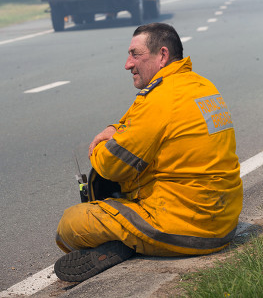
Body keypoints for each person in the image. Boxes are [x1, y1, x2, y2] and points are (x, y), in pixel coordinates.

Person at [54, 23, 243, 282]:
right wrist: (114, 128)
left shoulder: (160, 98)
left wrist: (98, 147)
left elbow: (111, 166)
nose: (128, 64)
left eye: (135, 54)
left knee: (70, 225)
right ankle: (134, 240)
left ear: (162, 55)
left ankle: (131, 243)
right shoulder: (200, 85)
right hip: (224, 222)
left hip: (188, 227)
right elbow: (136, 123)